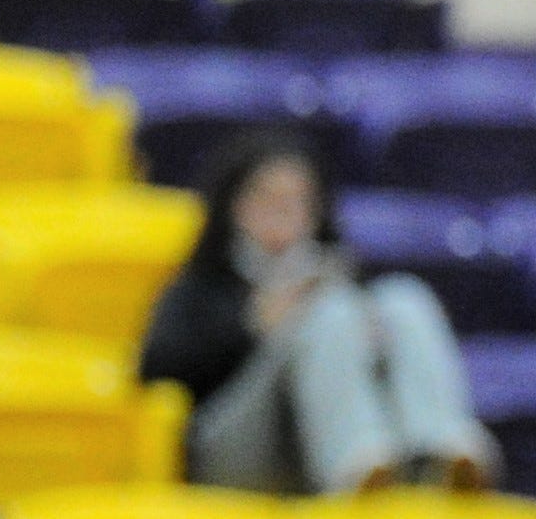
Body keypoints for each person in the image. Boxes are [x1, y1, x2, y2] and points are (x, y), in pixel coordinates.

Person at [139, 133, 495, 494]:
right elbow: (156, 370)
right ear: (233, 204)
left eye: (296, 201)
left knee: (403, 298)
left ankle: (444, 451)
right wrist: (252, 327)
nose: (282, 212)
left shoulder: (339, 275)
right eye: (267, 197)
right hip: (237, 453)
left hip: (318, 446)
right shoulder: (201, 286)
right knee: (332, 315)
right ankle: (357, 466)